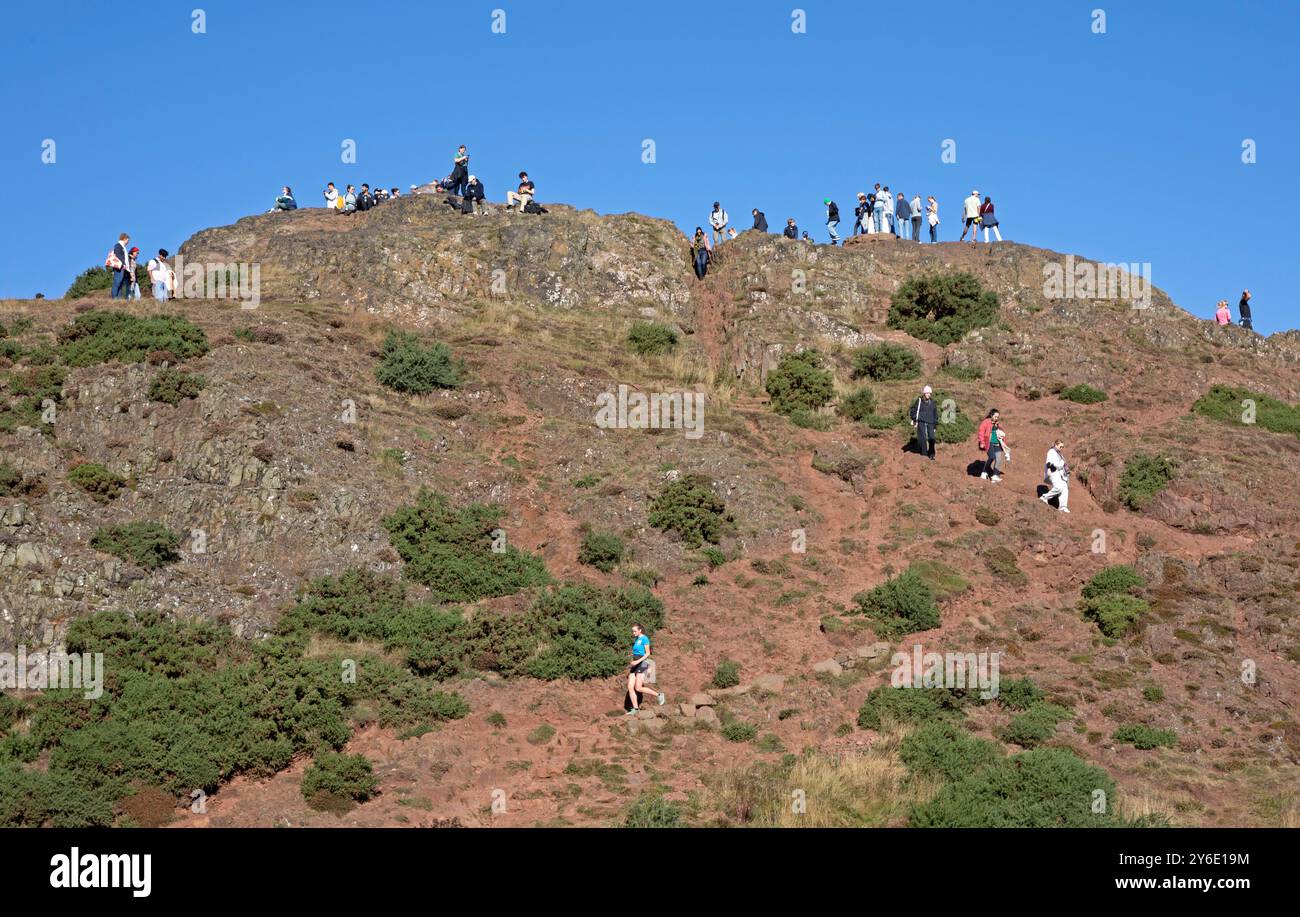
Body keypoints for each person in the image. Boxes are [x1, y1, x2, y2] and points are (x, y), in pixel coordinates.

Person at [624, 623, 665, 714]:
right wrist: (631, 658)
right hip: (635, 664)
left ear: (640, 630)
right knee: (630, 687)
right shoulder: (637, 639)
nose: (633, 633)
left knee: (638, 688)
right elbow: (637, 652)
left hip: (642, 663)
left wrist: (637, 662)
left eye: (635, 631)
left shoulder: (644, 638)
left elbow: (647, 653)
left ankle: (659, 695)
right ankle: (635, 709)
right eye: (632, 631)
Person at [910, 385, 938, 461]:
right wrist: (915, 418)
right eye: (928, 393)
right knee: (922, 438)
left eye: (930, 393)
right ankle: (924, 453)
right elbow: (912, 410)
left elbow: (935, 413)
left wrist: (935, 425)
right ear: (924, 393)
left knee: (931, 438)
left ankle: (932, 454)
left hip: (931, 422)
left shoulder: (932, 402)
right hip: (921, 421)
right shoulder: (919, 401)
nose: (929, 394)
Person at [1041, 439, 1070, 513]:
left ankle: (1063, 507)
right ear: (1056, 445)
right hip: (1053, 472)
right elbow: (1049, 463)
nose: (1062, 448)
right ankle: (1044, 497)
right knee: (1059, 487)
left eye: (1063, 447)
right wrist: (1053, 468)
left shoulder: (1060, 454)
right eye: (1060, 446)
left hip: (1060, 474)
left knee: (1065, 489)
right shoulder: (1051, 452)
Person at [977, 409, 1002, 481]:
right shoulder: (986, 422)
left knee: (999, 458)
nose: (996, 418)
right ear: (991, 415)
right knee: (992, 456)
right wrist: (982, 442)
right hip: (988, 442)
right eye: (995, 416)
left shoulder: (997, 423)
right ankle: (984, 472)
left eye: (997, 417)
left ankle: (995, 475)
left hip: (996, 442)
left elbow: (1000, 432)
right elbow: (981, 432)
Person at [108, 233, 131, 299]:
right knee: (117, 282)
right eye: (128, 240)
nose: (128, 242)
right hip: (119, 267)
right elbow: (118, 255)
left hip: (122, 267)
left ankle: (118, 299)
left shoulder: (122, 246)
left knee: (120, 283)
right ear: (124, 239)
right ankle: (114, 298)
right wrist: (123, 264)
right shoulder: (118, 245)